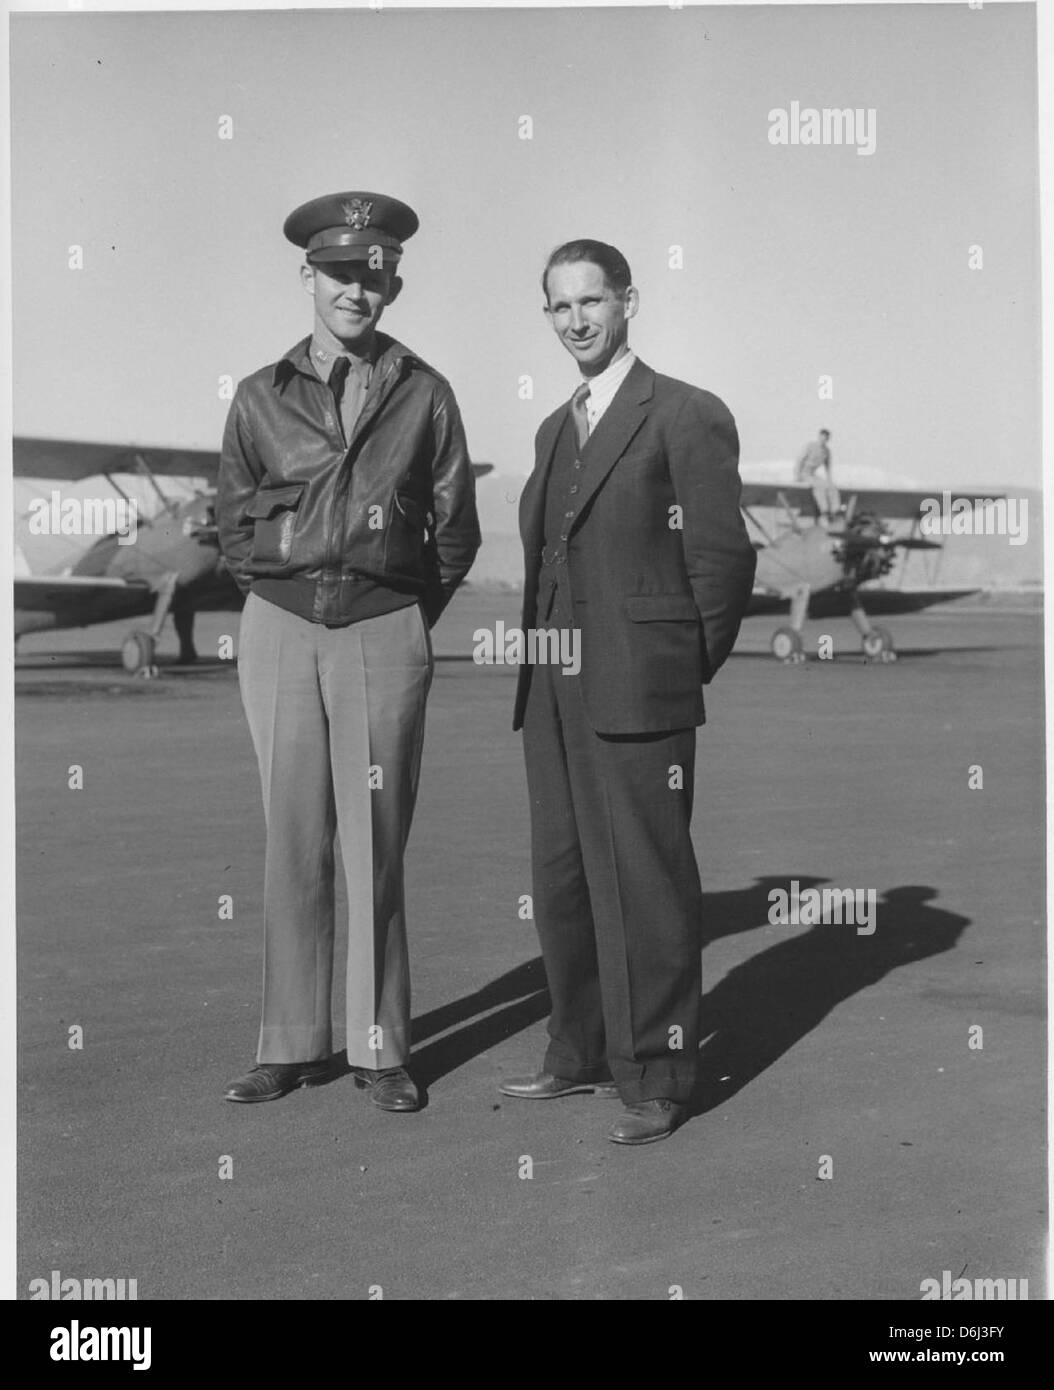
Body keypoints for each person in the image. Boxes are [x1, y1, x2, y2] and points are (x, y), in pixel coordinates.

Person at [217, 191, 480, 1113]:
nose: (355, 292)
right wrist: (285, 597)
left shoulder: (426, 392)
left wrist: (399, 615)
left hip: (384, 630)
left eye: (373, 276)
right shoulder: (259, 395)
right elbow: (230, 524)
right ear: (310, 277)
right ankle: (289, 1044)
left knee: (375, 843)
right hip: (280, 630)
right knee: (292, 838)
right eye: (338, 274)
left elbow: (456, 531)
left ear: (392, 282)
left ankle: (379, 1049)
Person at [500, 240, 756, 1144]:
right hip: (553, 688)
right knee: (563, 877)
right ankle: (578, 1049)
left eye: (591, 303)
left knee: (645, 879)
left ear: (628, 303)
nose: (575, 321)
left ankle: (657, 1073)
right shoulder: (553, 426)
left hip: (638, 687)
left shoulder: (684, 413)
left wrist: (676, 668)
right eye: (559, 307)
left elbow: (722, 562)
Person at [794, 428, 840, 520]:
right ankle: (824, 510)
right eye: (822, 437)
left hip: (812, 474)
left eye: (826, 438)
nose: (824, 440)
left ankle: (835, 510)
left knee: (831, 487)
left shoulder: (827, 451)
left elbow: (828, 467)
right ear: (819, 437)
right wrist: (797, 475)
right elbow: (800, 460)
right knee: (819, 486)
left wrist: (829, 479)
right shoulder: (810, 446)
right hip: (804, 473)